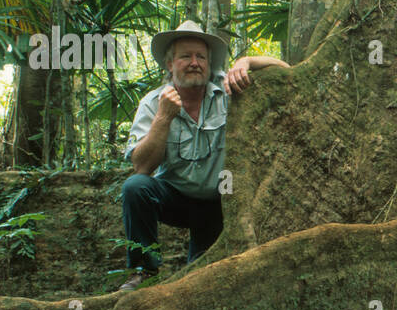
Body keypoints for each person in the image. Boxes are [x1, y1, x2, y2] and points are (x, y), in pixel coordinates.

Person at [118, 20, 289, 291]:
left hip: (220, 202)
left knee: (199, 280)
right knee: (135, 188)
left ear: (210, 64)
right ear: (170, 64)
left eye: (201, 57)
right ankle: (143, 271)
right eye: (185, 56)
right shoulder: (153, 103)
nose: (194, 63)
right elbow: (141, 167)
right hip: (175, 197)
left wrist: (247, 61)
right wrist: (164, 117)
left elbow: (290, 73)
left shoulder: (229, 90)